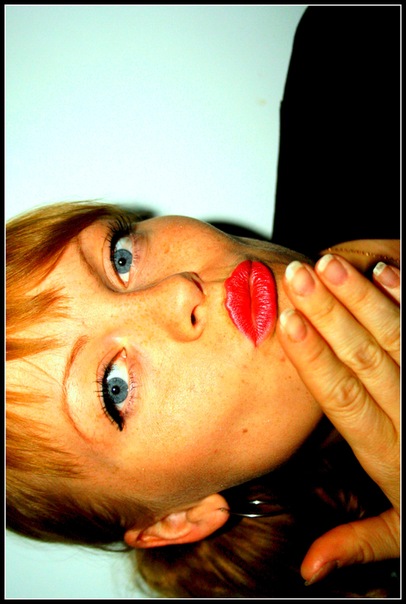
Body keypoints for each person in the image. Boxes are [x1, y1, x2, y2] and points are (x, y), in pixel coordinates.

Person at [6, 6, 400, 599]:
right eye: (115, 388)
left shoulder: (357, 51)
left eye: (119, 258)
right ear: (177, 519)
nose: (177, 293)